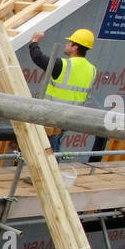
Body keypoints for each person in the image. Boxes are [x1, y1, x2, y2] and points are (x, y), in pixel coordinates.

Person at [28, 28, 98, 156]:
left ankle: (51, 174)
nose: (66, 44)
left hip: (51, 116)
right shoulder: (92, 69)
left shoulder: (64, 65)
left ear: (75, 47)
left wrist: (34, 41)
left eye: (69, 42)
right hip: (69, 118)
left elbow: (38, 58)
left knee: (48, 152)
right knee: (53, 148)